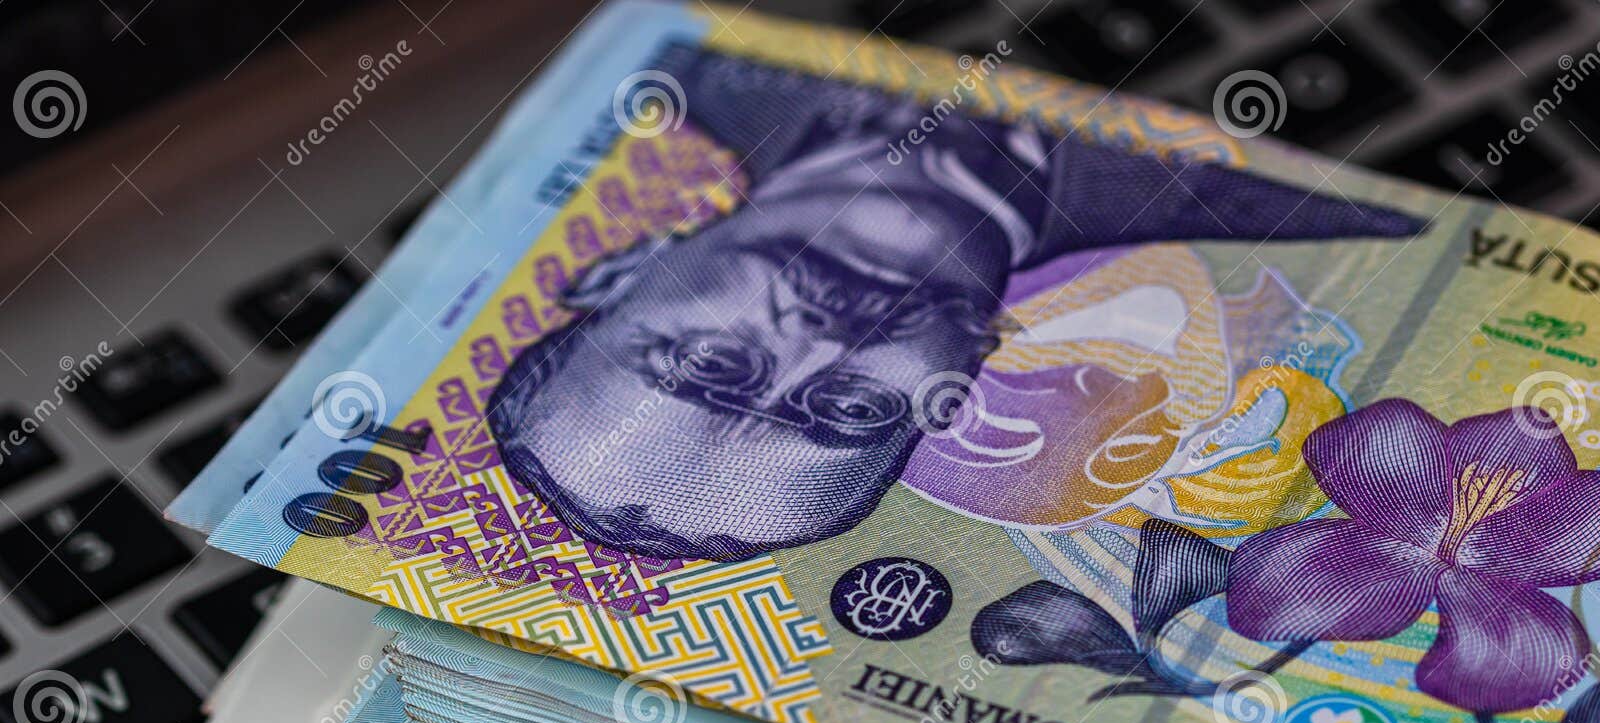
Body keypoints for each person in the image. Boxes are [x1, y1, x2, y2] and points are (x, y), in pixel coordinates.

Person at [489, 45, 1425, 563]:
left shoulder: (685, 52)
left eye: (707, 364)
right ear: (954, 389)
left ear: (624, 272)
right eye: (852, 409)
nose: (823, 346)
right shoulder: (1347, 197)